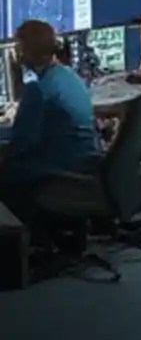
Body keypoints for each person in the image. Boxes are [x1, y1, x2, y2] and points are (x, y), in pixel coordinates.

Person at [0, 21, 98, 225]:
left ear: (27, 50)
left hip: (57, 167)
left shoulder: (39, 89)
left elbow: (23, 142)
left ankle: (20, 248)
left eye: (19, 47)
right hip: (82, 162)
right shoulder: (69, 76)